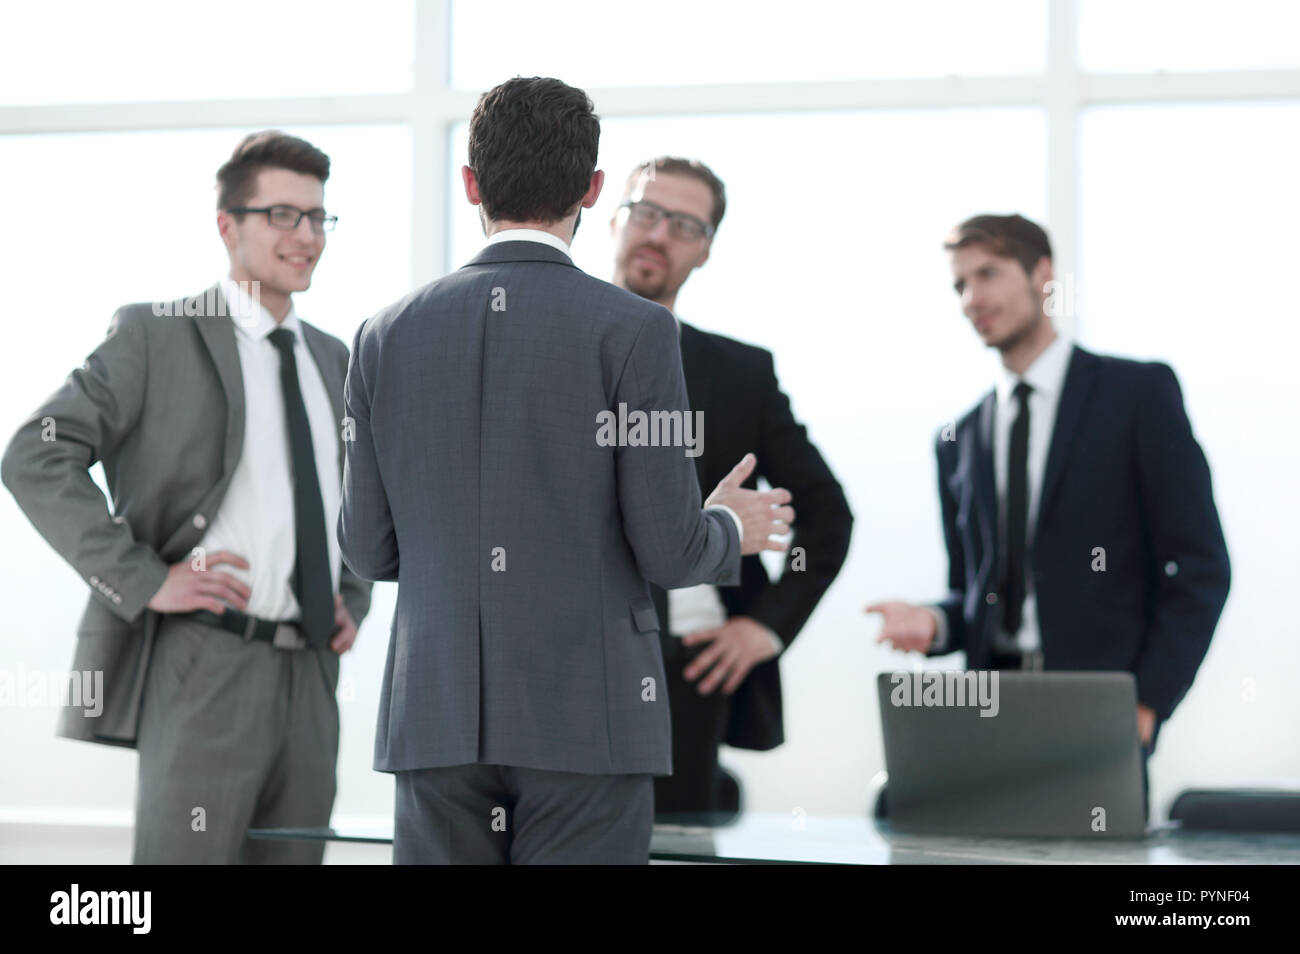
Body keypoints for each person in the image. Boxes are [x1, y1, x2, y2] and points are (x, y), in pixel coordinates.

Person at [338, 77, 793, 864]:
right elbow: (668, 551)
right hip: (590, 722)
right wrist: (730, 527)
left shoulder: (383, 334)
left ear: (471, 184)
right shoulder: (637, 332)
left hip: (434, 719)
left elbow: (368, 554)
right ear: (590, 190)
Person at [2, 131, 373, 863]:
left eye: (318, 217)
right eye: (283, 215)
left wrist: (349, 594)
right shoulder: (155, 336)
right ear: (226, 224)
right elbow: (34, 453)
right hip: (206, 664)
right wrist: (145, 580)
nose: (306, 236)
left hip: (311, 675)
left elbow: (351, 495)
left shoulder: (336, 358)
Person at [868, 213, 1230, 807]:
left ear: (1043, 275)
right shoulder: (958, 437)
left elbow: (1200, 567)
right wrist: (934, 622)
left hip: (1100, 707)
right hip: (989, 706)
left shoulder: (1136, 395)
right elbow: (976, 592)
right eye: (959, 285)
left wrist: (1148, 701)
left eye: (987, 274)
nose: (971, 298)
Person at [610, 157, 853, 817]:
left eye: (685, 224)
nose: (659, 234)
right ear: (612, 218)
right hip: (559, 669)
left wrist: (764, 629)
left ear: (707, 249)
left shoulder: (742, 374)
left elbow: (828, 516)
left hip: (689, 676)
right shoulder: (545, 351)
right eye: (647, 212)